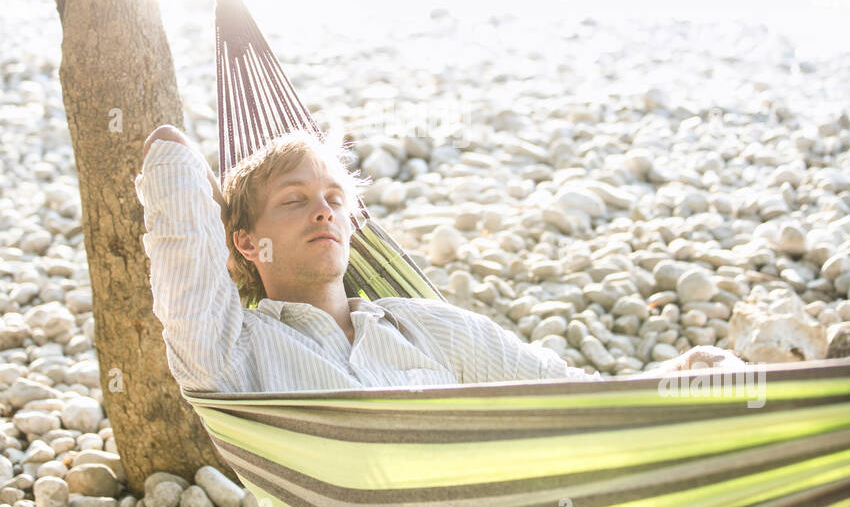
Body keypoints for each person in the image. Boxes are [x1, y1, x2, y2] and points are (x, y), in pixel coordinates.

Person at [134, 123, 743, 395]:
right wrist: (224, 209)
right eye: (294, 202)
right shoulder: (233, 349)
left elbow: (571, 397)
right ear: (244, 241)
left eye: (336, 200)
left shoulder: (424, 323)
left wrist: (674, 375)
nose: (323, 212)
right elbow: (169, 153)